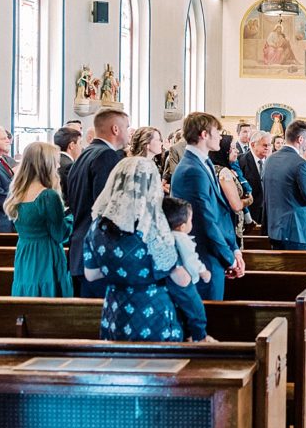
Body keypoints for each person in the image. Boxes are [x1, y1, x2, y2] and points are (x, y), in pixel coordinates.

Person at [83, 158, 186, 341]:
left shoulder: (98, 226)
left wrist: (120, 271)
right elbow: (176, 274)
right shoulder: (152, 225)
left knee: (118, 365)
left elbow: (91, 274)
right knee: (157, 366)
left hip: (116, 311)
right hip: (154, 311)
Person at [170, 112, 243, 300]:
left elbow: (221, 211)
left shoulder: (204, 163)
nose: (220, 135)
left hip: (213, 255)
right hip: (203, 257)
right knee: (207, 317)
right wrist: (230, 258)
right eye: (217, 131)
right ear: (204, 134)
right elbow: (206, 220)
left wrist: (234, 249)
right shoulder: (191, 170)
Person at [66, 108, 129, 297]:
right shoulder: (106, 156)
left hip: (80, 247)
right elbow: (107, 208)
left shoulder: (85, 154)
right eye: (127, 127)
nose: (129, 132)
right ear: (116, 129)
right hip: (96, 252)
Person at [4, 142, 73, 297]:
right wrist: (72, 218)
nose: (58, 166)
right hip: (45, 254)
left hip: (25, 252)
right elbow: (60, 234)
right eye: (55, 161)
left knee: (28, 292)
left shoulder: (18, 193)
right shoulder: (48, 196)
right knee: (46, 297)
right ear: (45, 164)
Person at [263, 120, 306, 250]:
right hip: (297, 232)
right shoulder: (302, 165)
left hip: (274, 229)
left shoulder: (270, 160)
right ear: (300, 139)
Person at [162, 196, 213, 342]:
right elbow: (191, 259)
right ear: (182, 225)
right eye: (190, 220)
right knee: (195, 310)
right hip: (182, 279)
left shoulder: (163, 237)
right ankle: (198, 337)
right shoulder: (181, 238)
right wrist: (203, 271)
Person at [208, 134, 253, 243]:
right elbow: (236, 205)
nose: (237, 150)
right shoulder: (224, 172)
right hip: (229, 222)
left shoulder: (214, 169)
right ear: (224, 151)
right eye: (232, 148)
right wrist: (248, 200)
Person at [238, 130, 271, 227]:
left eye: (269, 145)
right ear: (253, 145)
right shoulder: (241, 161)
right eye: (264, 145)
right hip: (250, 211)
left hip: (268, 212)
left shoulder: (272, 161)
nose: (268, 148)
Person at [53, 127, 82, 203]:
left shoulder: (52, 161)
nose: (81, 147)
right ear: (71, 145)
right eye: (80, 143)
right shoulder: (69, 166)